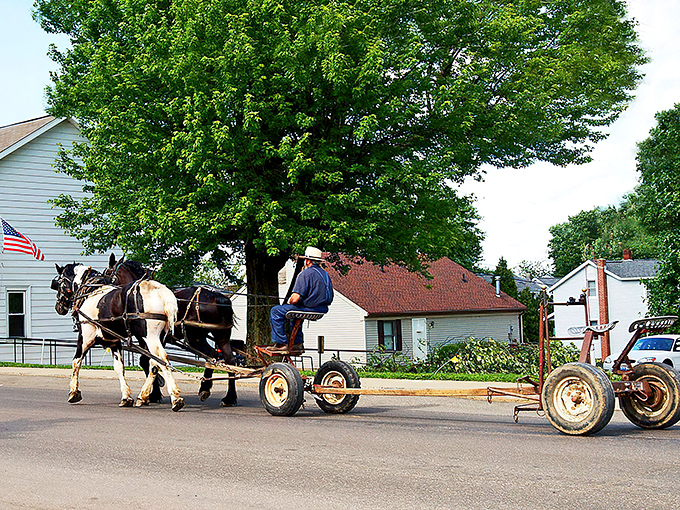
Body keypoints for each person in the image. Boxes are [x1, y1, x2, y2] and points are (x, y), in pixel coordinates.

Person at [269, 246, 334, 353]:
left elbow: (295, 299)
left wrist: (290, 300)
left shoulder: (305, 274)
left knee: (276, 311)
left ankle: (281, 343)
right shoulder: (325, 274)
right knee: (294, 314)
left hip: (310, 308)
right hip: (322, 309)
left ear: (308, 261)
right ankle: (298, 343)